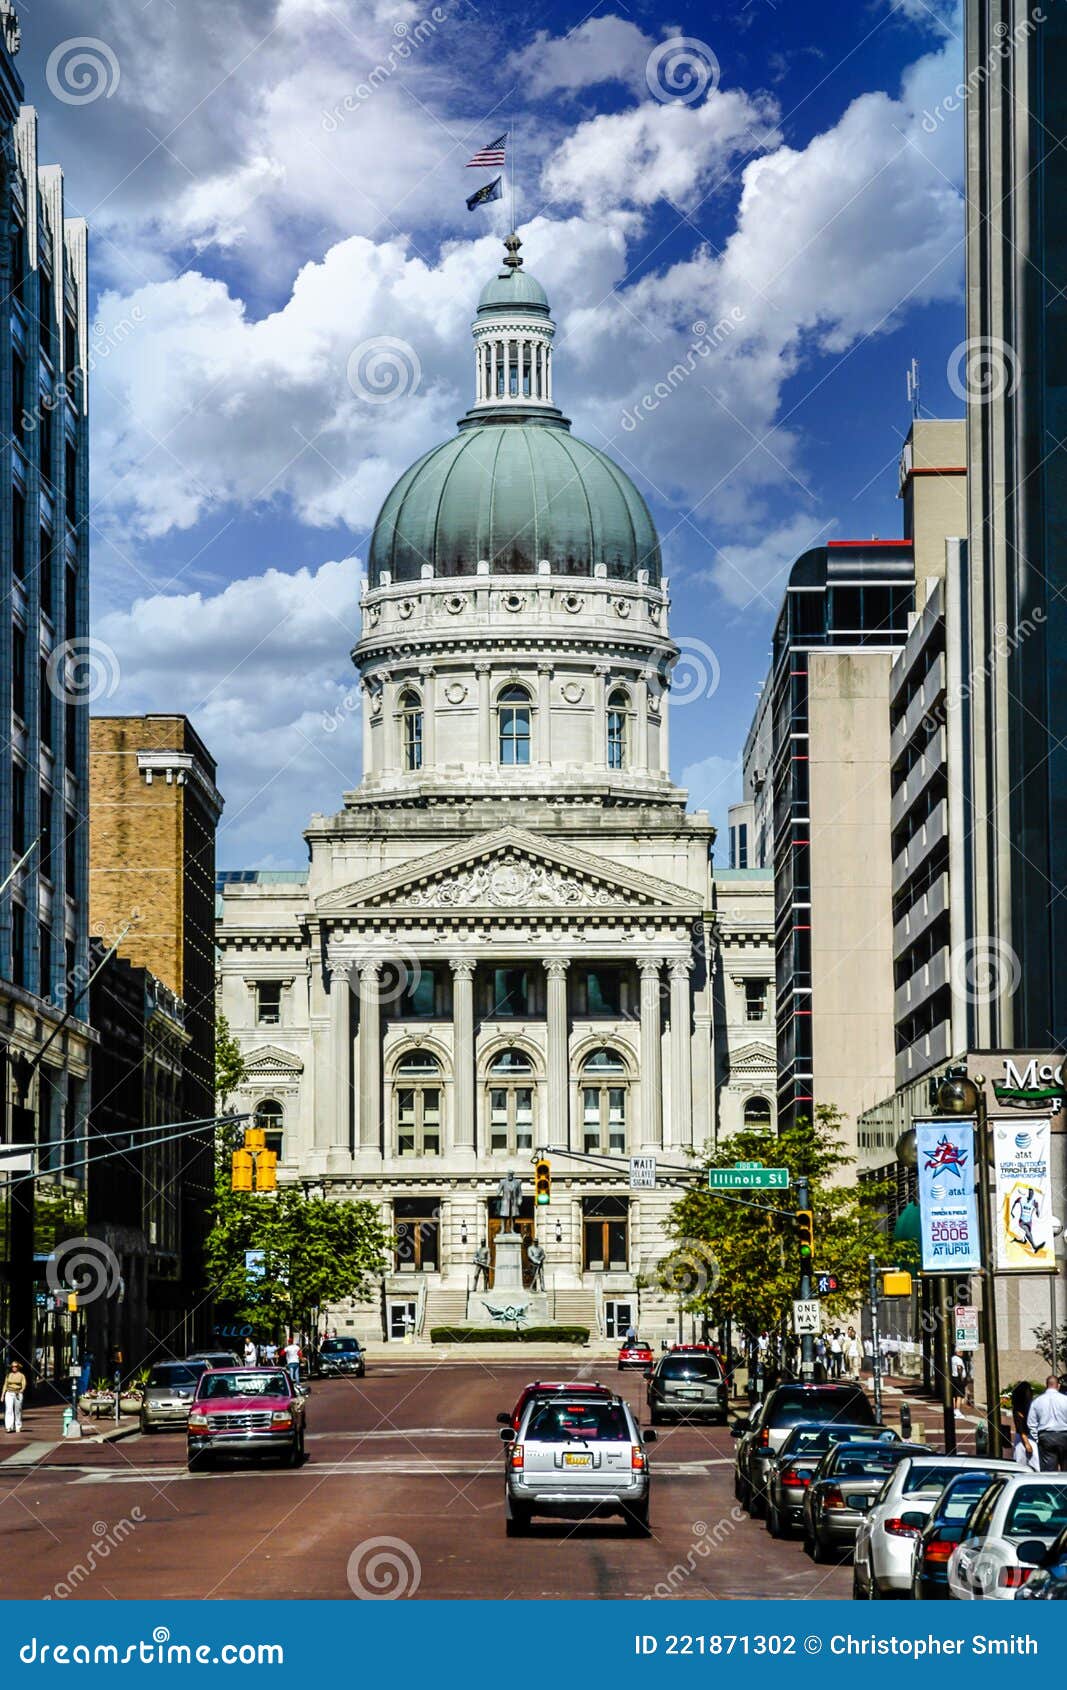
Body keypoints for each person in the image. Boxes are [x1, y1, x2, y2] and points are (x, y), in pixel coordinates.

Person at [1027, 1375, 1067, 1471]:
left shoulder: (1037, 1401)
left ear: (1046, 1385)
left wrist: (1037, 1438)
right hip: (1064, 1435)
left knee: (1048, 1471)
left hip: (1045, 1436)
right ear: (1058, 1385)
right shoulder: (1065, 1399)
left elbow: (1031, 1423)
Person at [1011, 1379, 1039, 1470]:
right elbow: (1020, 1428)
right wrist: (1027, 1444)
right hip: (1024, 1439)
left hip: (1028, 1437)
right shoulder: (1018, 1410)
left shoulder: (1029, 1406)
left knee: (1033, 1464)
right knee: (1023, 1465)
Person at [3, 1358, 27, 1434]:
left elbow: (24, 1384)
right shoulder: (8, 1375)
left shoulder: (21, 1375)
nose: (14, 1367)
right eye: (13, 1366)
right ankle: (9, 1427)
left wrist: (21, 1390)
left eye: (15, 1366)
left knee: (18, 1410)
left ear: (18, 1367)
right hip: (9, 1393)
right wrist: (2, 1395)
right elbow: (5, 1385)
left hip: (18, 1393)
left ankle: (18, 1426)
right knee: (8, 1409)